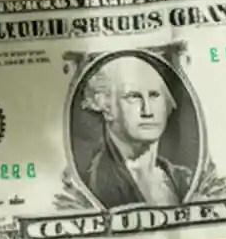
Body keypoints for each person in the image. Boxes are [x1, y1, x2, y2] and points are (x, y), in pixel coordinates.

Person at [78, 56, 193, 209]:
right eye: (133, 96)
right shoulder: (89, 184)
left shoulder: (184, 180)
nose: (147, 110)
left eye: (154, 95)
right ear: (106, 106)